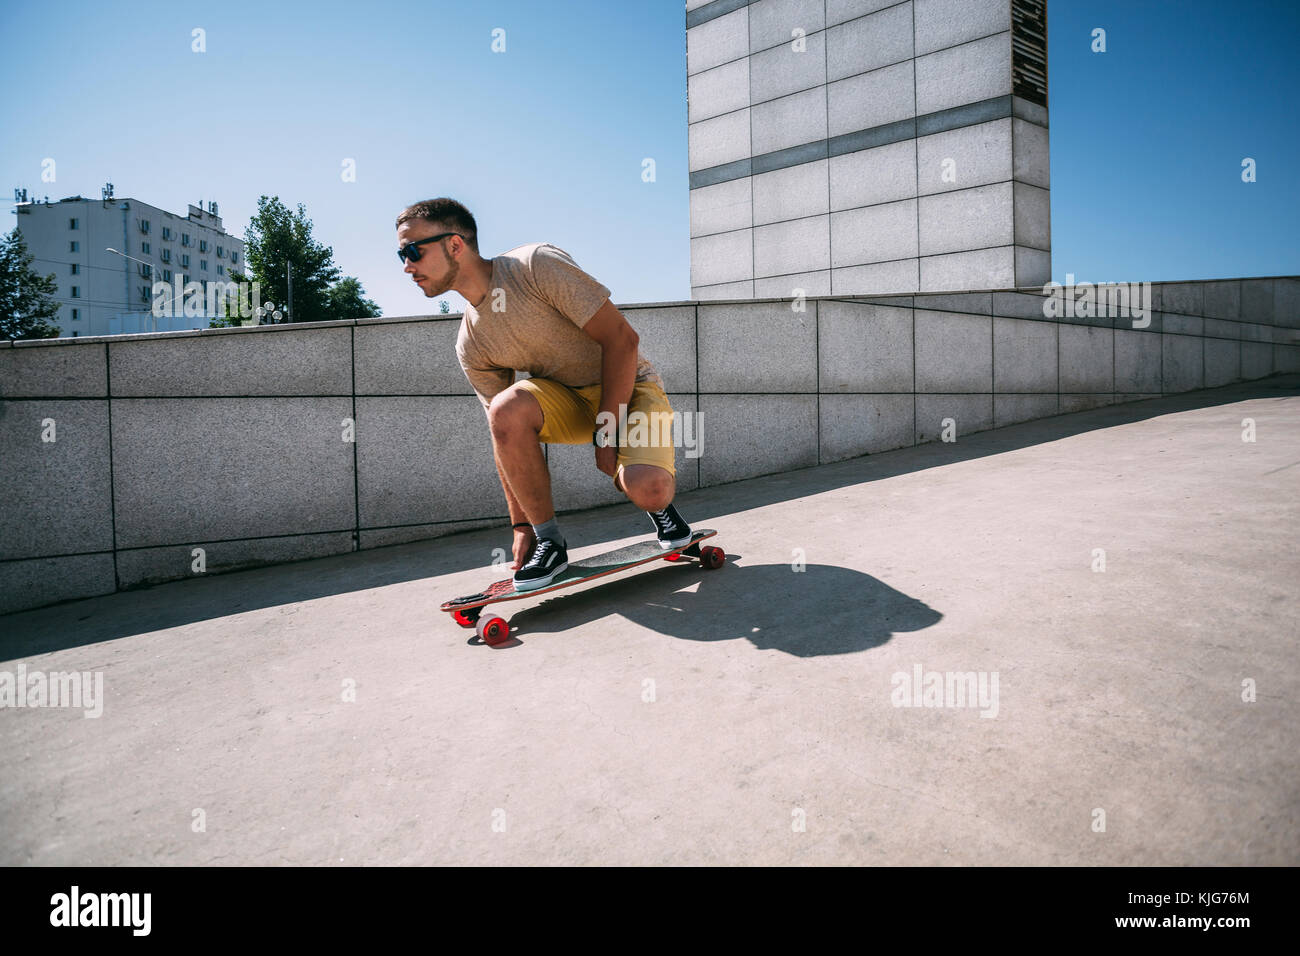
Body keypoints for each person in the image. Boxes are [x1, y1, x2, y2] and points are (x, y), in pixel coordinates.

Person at [396, 198, 692, 590]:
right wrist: (523, 526)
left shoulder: (534, 266)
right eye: (400, 254)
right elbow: (503, 434)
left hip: (630, 388)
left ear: (454, 246)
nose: (406, 266)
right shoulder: (472, 342)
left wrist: (607, 437)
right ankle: (550, 543)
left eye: (413, 251)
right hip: (566, 402)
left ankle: (659, 506)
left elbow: (622, 340)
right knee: (503, 410)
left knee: (648, 488)